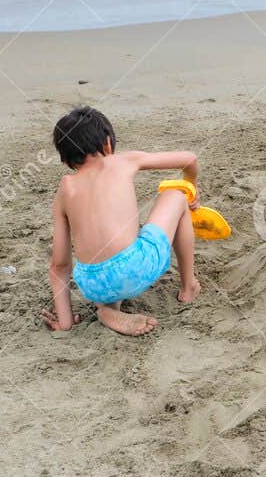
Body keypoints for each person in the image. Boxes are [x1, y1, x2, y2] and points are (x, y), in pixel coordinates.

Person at [43, 106, 201, 336]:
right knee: (176, 196)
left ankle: (106, 308)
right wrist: (191, 186)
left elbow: (59, 265)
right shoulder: (122, 161)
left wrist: (65, 323)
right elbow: (189, 159)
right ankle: (189, 287)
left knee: (105, 259)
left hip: (93, 284)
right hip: (134, 267)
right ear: (107, 144)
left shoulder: (65, 190)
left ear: (66, 160)